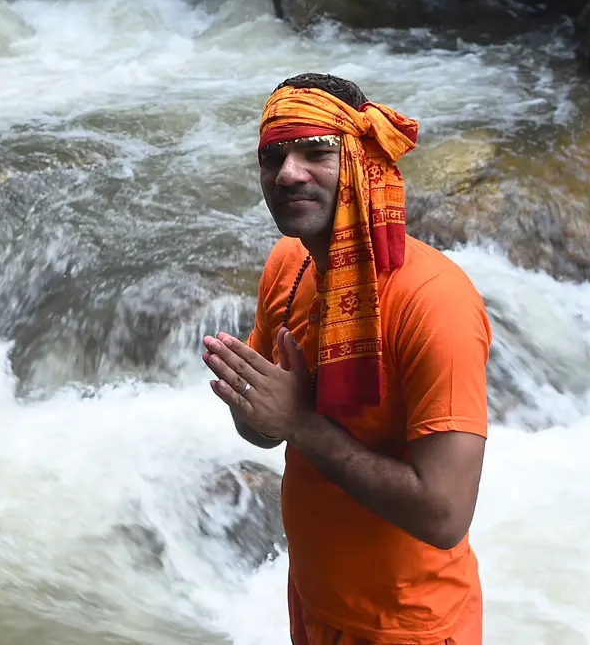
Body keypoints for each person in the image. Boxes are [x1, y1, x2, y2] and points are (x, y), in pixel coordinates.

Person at [201, 73, 491, 645]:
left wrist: (301, 423)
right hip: (315, 601)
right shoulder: (291, 264)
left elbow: (445, 514)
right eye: (273, 156)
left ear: (362, 164)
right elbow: (264, 432)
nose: (288, 173)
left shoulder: (434, 303)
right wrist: (250, 398)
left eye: (316, 151)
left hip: (409, 627)